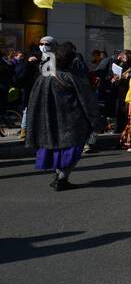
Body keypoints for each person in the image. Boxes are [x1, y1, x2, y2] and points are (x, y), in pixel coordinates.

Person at [25, 42, 103, 190]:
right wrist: (96, 122)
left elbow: (33, 101)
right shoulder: (72, 77)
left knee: (56, 150)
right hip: (71, 121)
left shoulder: (43, 76)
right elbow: (88, 102)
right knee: (70, 151)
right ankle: (61, 178)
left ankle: (59, 177)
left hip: (48, 121)